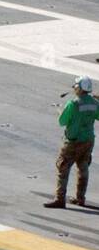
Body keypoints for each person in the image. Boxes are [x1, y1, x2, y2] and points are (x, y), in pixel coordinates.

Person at [44, 76, 99, 209]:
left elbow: (62, 121)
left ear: (79, 88)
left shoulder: (73, 104)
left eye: (76, 86)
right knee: (83, 168)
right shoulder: (94, 103)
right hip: (88, 140)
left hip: (73, 142)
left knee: (63, 168)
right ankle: (80, 198)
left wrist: (61, 112)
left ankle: (59, 199)